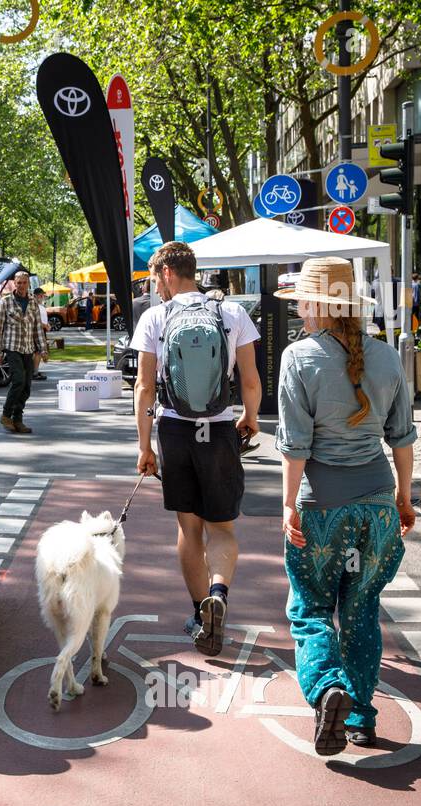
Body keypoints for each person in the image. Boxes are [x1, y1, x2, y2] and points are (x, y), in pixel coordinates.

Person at [274, 257, 417, 756]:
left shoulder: (298, 358)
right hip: (377, 506)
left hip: (322, 507)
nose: (299, 310)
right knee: (361, 612)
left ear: (317, 304)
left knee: (311, 608)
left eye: (301, 302)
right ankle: (360, 716)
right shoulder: (388, 357)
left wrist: (287, 506)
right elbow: (402, 438)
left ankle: (326, 687)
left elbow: (295, 446)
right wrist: (403, 496)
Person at [133, 241, 262, 655]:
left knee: (189, 529)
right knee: (221, 528)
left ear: (168, 272)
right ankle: (219, 594)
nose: (156, 287)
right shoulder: (232, 312)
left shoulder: (155, 317)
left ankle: (197, 611)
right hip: (221, 429)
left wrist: (144, 445)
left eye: (156, 278)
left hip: (174, 431)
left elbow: (144, 387)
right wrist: (250, 418)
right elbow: (251, 380)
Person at [0, 270, 48, 434]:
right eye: (19, 283)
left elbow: (38, 328)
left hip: (28, 348)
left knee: (26, 386)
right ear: (14, 284)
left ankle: (18, 420)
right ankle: (6, 414)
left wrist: (43, 349)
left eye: (24, 282)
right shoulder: (6, 301)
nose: (21, 285)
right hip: (12, 347)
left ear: (28, 284)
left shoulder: (33, 303)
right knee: (18, 381)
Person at [33, 286, 51, 381]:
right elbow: (36, 320)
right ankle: (34, 372)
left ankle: (35, 370)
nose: (42, 297)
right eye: (40, 295)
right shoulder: (34, 306)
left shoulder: (41, 306)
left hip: (42, 330)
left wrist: (47, 324)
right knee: (37, 352)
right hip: (37, 331)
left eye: (42, 295)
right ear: (36, 296)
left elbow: (43, 319)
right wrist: (45, 325)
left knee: (39, 352)